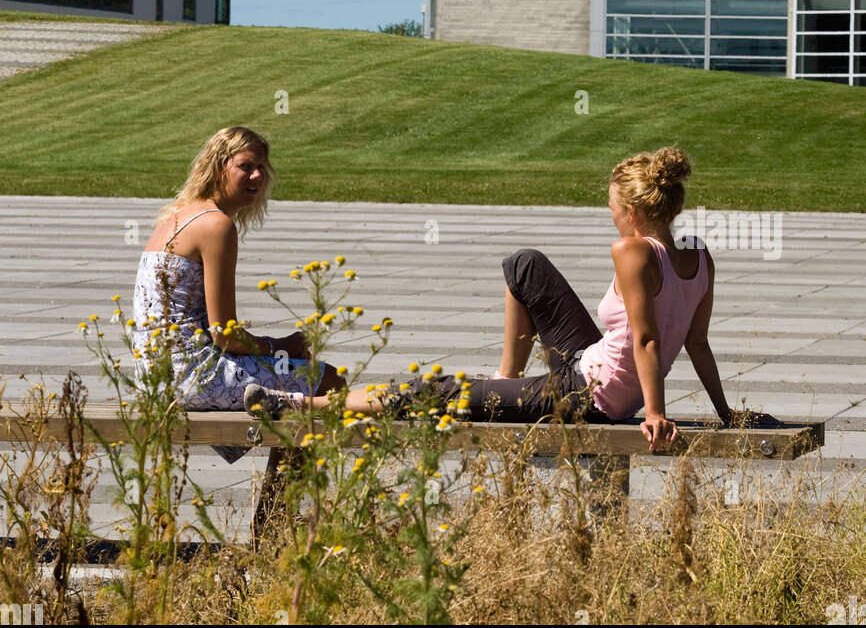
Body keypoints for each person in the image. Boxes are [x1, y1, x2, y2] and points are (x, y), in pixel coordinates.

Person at [247, 145, 778, 452]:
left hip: (586, 395)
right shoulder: (697, 254)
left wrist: (656, 415)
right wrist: (725, 413)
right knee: (525, 264)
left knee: (434, 389)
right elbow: (698, 344)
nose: (611, 214)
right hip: (596, 366)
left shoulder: (633, 250)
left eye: (613, 205)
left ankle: (302, 404)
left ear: (632, 211)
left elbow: (647, 336)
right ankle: (507, 379)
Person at [132, 125, 344, 464]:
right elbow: (224, 334)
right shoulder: (216, 225)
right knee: (325, 380)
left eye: (262, 167)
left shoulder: (177, 216)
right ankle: (277, 514)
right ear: (218, 167)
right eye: (245, 166)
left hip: (157, 376)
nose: (257, 175)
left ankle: (274, 512)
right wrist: (280, 346)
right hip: (190, 377)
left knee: (291, 386)